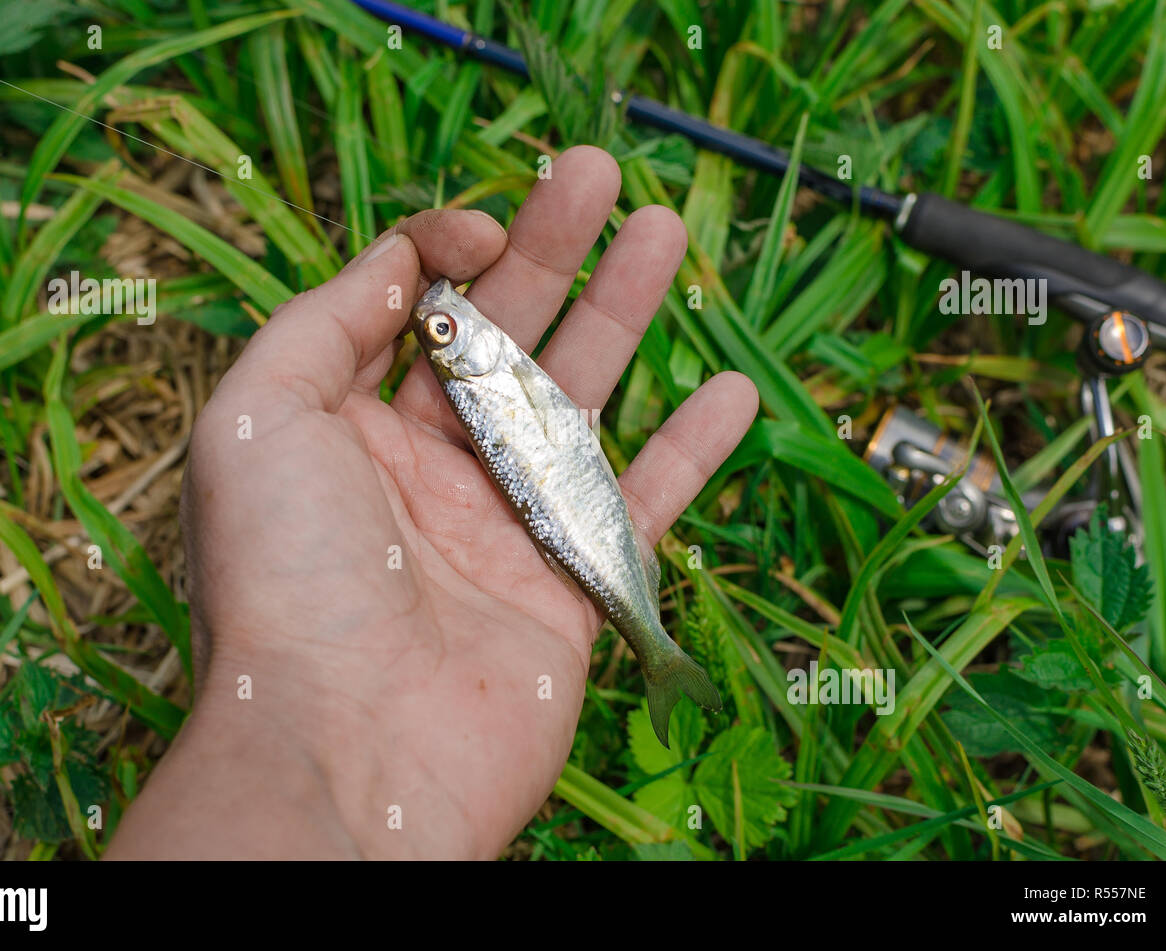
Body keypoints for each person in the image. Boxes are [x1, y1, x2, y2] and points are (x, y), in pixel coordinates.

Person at [104, 146, 758, 859]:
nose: (438, 319)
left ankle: (659, 652)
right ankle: (659, 655)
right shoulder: (476, 376)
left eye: (439, 330)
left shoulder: (481, 369)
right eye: (441, 331)